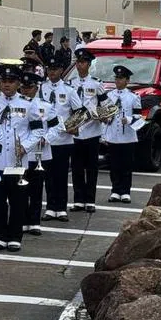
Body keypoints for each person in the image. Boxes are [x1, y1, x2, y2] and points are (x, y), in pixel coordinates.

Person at [0, 64, 34, 251]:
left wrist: (25, 146)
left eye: (11, 81)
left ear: (18, 83)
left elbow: (38, 130)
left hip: (18, 161)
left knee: (18, 201)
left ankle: (15, 236)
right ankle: (0, 236)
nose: (7, 85)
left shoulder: (26, 104)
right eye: (4, 81)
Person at [67, 49, 105, 213]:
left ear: (89, 65)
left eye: (83, 62)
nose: (79, 65)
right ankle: (78, 200)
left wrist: (100, 116)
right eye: (78, 62)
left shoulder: (97, 84)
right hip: (76, 131)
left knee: (91, 168)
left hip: (92, 131)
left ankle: (90, 200)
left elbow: (106, 106)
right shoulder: (70, 84)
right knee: (76, 167)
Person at [42, 57, 76, 222]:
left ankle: (61, 208)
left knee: (61, 174)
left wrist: (73, 126)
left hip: (63, 139)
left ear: (61, 70)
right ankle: (50, 207)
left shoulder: (69, 90)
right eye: (49, 69)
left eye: (55, 69)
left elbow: (79, 111)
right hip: (46, 139)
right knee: (48, 176)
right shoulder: (41, 88)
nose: (52, 72)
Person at [19, 72, 52, 237]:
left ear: (36, 88)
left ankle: (34, 222)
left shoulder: (45, 106)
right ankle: (22, 220)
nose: (26, 90)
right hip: (22, 154)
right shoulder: (17, 105)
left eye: (29, 87)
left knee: (37, 189)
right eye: (23, 87)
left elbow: (56, 126)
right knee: (21, 189)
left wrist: (47, 138)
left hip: (39, 153)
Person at [102, 65, 141, 204]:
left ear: (127, 80)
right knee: (114, 165)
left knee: (126, 165)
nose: (118, 81)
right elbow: (104, 115)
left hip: (128, 136)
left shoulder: (133, 97)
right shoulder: (109, 96)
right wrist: (104, 131)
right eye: (116, 78)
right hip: (113, 135)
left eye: (121, 78)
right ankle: (115, 190)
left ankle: (125, 191)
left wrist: (129, 119)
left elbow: (138, 117)